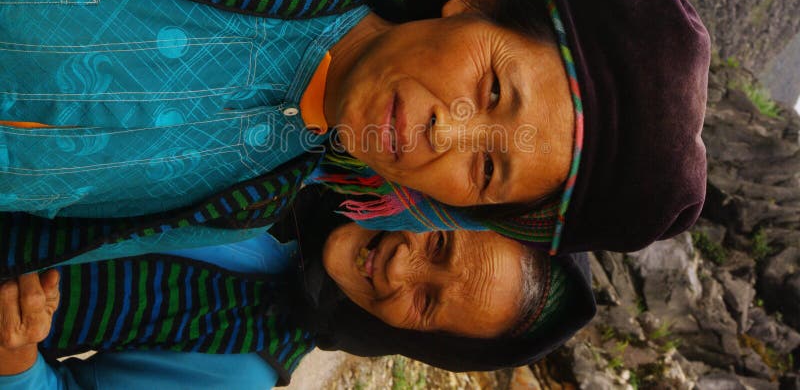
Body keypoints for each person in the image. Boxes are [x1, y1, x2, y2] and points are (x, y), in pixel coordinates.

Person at [0, 0, 710, 265]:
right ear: (473, 3)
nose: (447, 135)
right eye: (493, 89)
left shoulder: (246, 206)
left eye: (488, 170)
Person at [0, 202, 596, 388]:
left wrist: (15, 355)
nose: (399, 268)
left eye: (427, 304)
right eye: (439, 243)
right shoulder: (307, 135)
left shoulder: (241, 362)